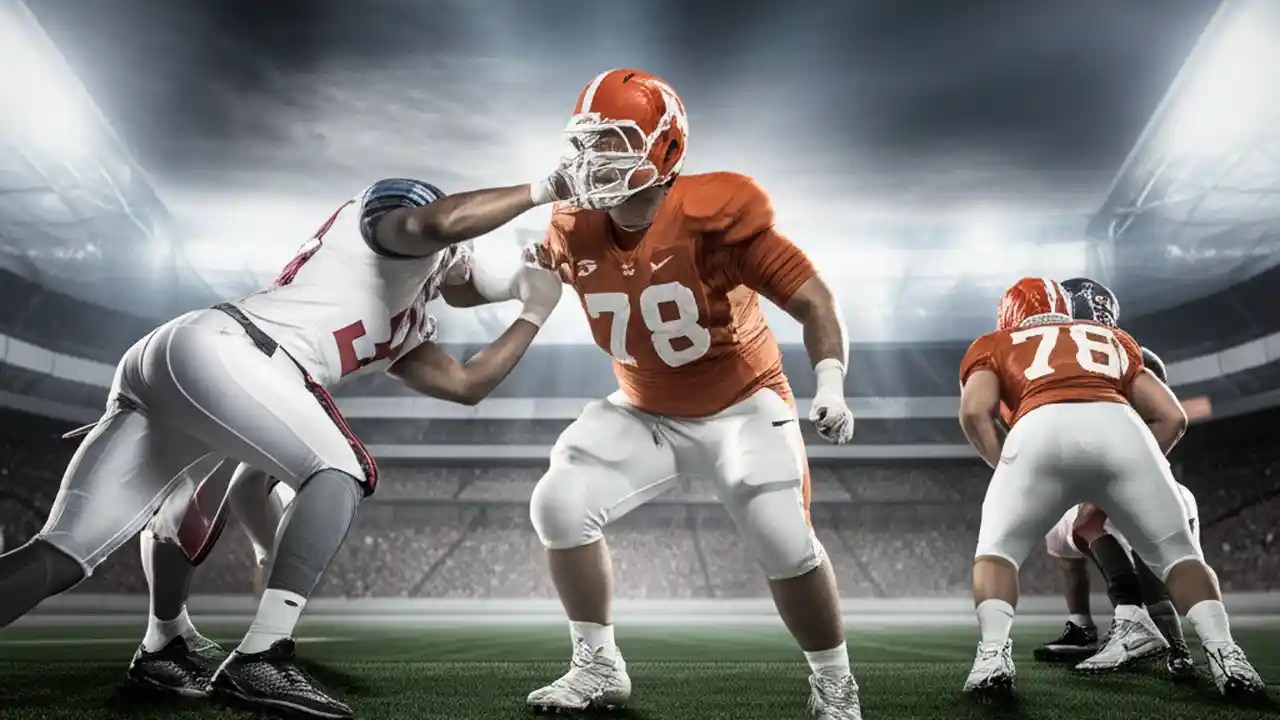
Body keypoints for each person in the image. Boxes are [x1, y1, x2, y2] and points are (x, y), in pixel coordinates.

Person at [0, 172, 575, 719]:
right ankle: (261, 655)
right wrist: (545, 189)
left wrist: (533, 310)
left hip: (189, 360)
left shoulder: (404, 321)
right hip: (232, 351)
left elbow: (466, 385)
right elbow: (437, 225)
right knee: (339, 469)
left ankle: (164, 642)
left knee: (64, 553)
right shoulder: (393, 224)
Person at [522, 69, 860, 720]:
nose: (594, 161)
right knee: (558, 501)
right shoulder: (570, 226)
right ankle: (597, 665)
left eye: (615, 142)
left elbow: (814, 301)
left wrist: (832, 385)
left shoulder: (716, 219)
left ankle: (836, 685)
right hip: (644, 407)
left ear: (665, 149)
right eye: (586, 142)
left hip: (743, 404)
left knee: (781, 530)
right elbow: (523, 280)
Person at [958, 277, 1264, 698]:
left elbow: (975, 412)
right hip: (1121, 427)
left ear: (1010, 315)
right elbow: (1173, 417)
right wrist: (1141, 465)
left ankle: (993, 656)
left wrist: (1005, 467)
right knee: (1180, 557)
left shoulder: (995, 342)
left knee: (997, 552)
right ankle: (1227, 655)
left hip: (1039, 429)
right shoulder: (1111, 337)